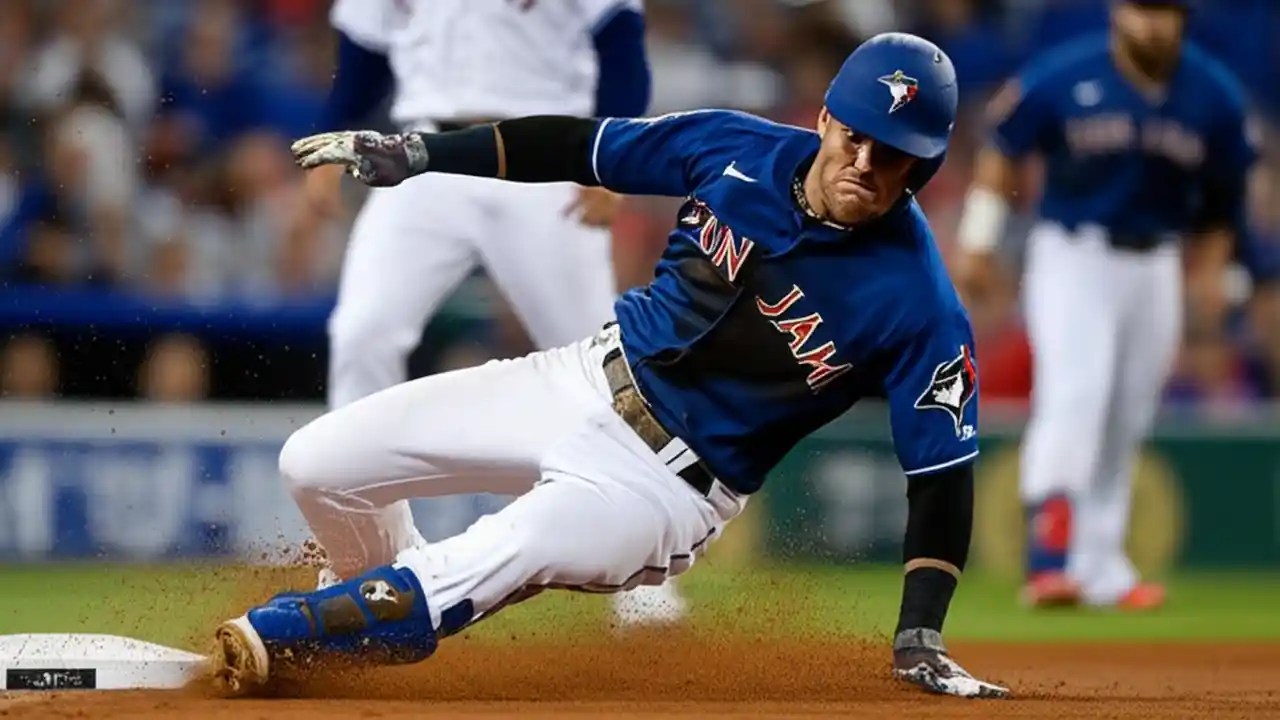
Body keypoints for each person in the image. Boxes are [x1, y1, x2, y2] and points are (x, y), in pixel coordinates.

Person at [213, 33, 1008, 700]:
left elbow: (941, 477)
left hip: (662, 488)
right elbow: (577, 146)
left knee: (504, 547)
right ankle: (383, 603)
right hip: (580, 377)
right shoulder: (737, 147)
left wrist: (919, 632)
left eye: (894, 155)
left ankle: (316, 629)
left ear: (924, 167)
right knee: (314, 462)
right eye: (855, 136)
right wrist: (425, 152)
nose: (865, 161)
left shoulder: (922, 306)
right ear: (827, 118)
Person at [302, 0, 681, 624]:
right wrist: (335, 138)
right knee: (362, 331)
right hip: (423, 150)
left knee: (607, 358)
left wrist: (612, 157)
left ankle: (645, 574)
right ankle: (360, 555)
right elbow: (364, 55)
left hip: (543, 149)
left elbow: (619, 44)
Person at [954, 0, 1256, 609]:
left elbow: (1225, 200)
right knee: (1078, 389)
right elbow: (1002, 146)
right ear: (1119, 13)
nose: (1152, 24)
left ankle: (1102, 564)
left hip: (1156, 262)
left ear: (1182, 19)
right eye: (1143, 10)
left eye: (1164, 12)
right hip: (1073, 253)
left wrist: (1211, 270)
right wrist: (979, 238)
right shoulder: (1065, 73)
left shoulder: (1213, 94)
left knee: (1128, 411)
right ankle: (1048, 555)